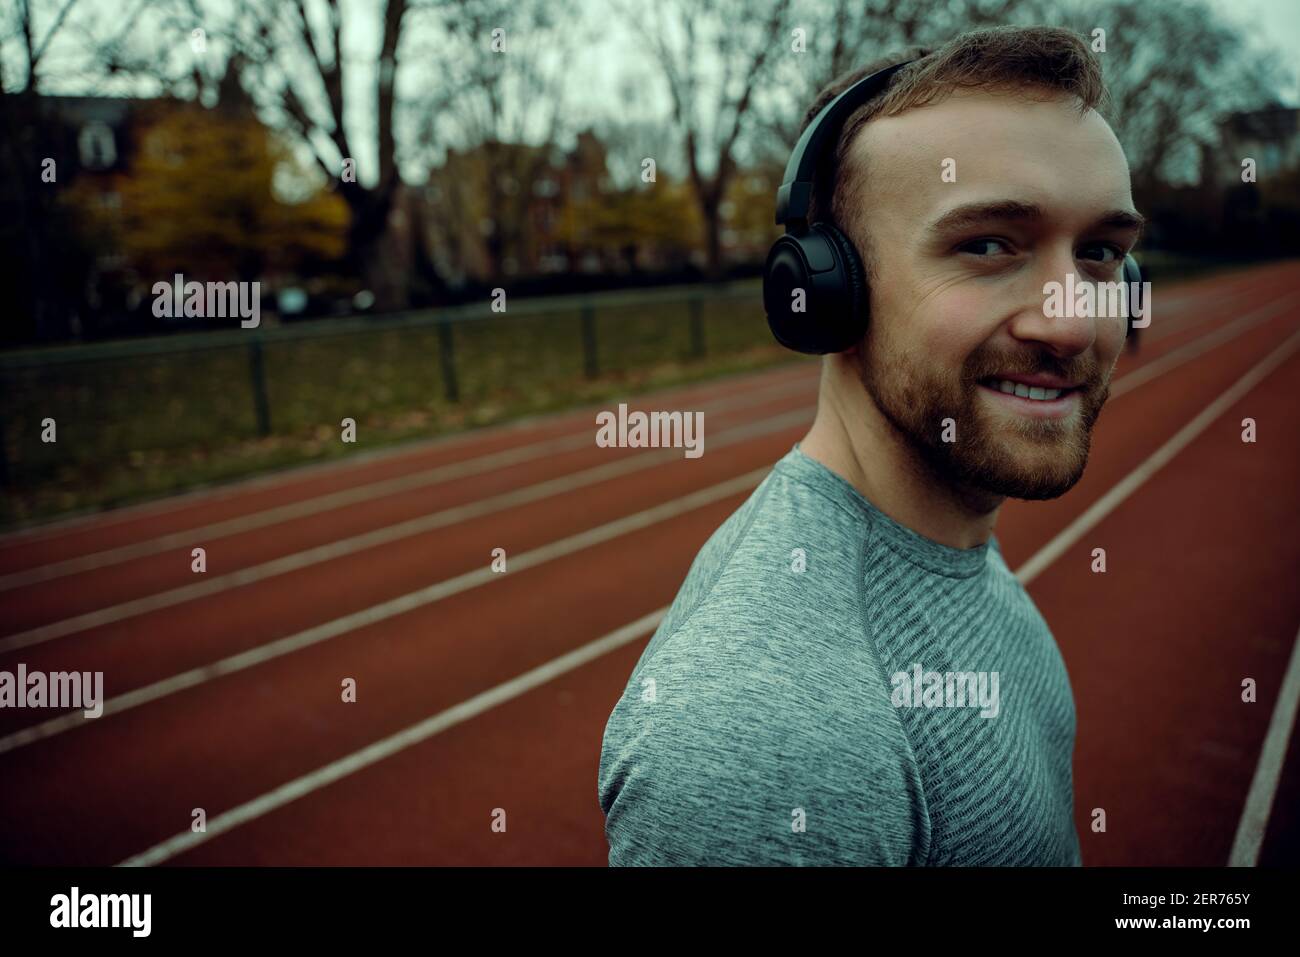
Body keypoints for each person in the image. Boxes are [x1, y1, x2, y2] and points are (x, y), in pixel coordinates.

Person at [597, 25, 1143, 865]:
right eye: (988, 245)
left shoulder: (945, 544)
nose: (1071, 320)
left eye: (1100, 253)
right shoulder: (769, 733)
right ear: (823, 291)